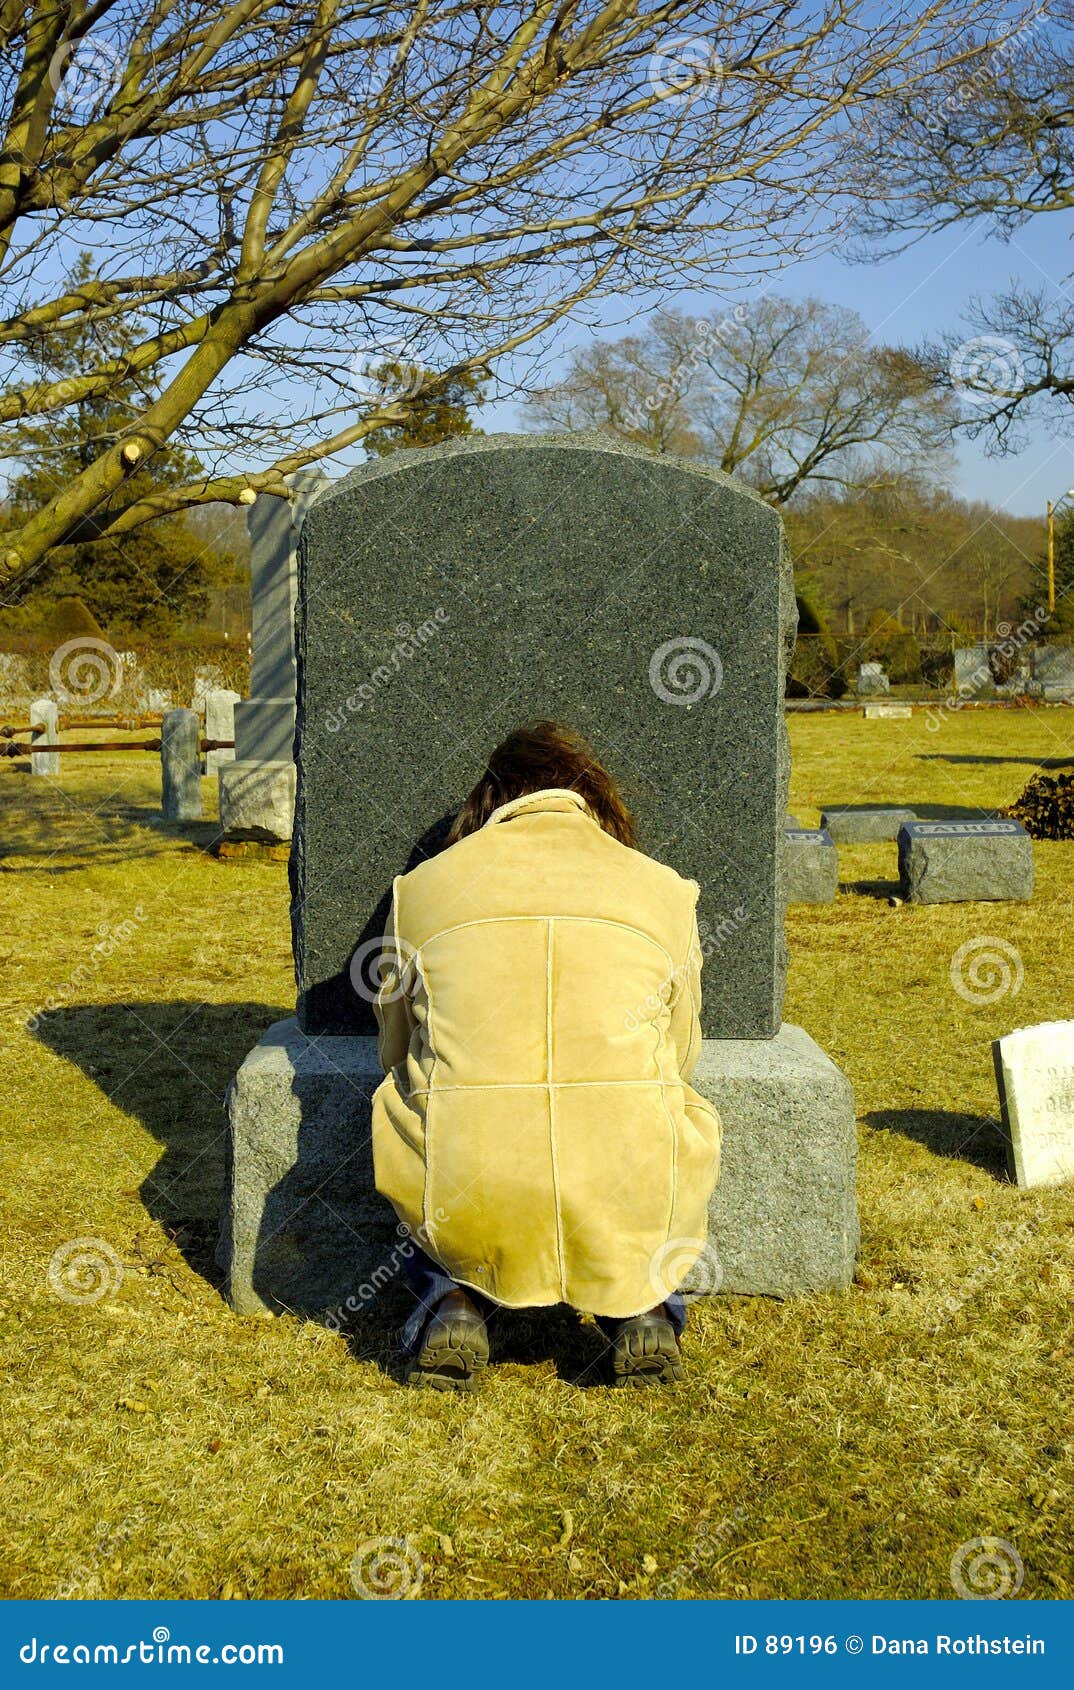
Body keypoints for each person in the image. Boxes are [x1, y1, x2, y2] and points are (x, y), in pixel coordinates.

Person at [370, 722, 721, 1391]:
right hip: (626, 1174)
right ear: (595, 797)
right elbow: (682, 1050)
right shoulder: (664, 890)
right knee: (660, 1119)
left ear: (490, 799)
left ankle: (452, 1301)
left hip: (467, 1179)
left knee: (416, 1121)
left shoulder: (420, 890)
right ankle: (643, 1306)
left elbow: (393, 1045)